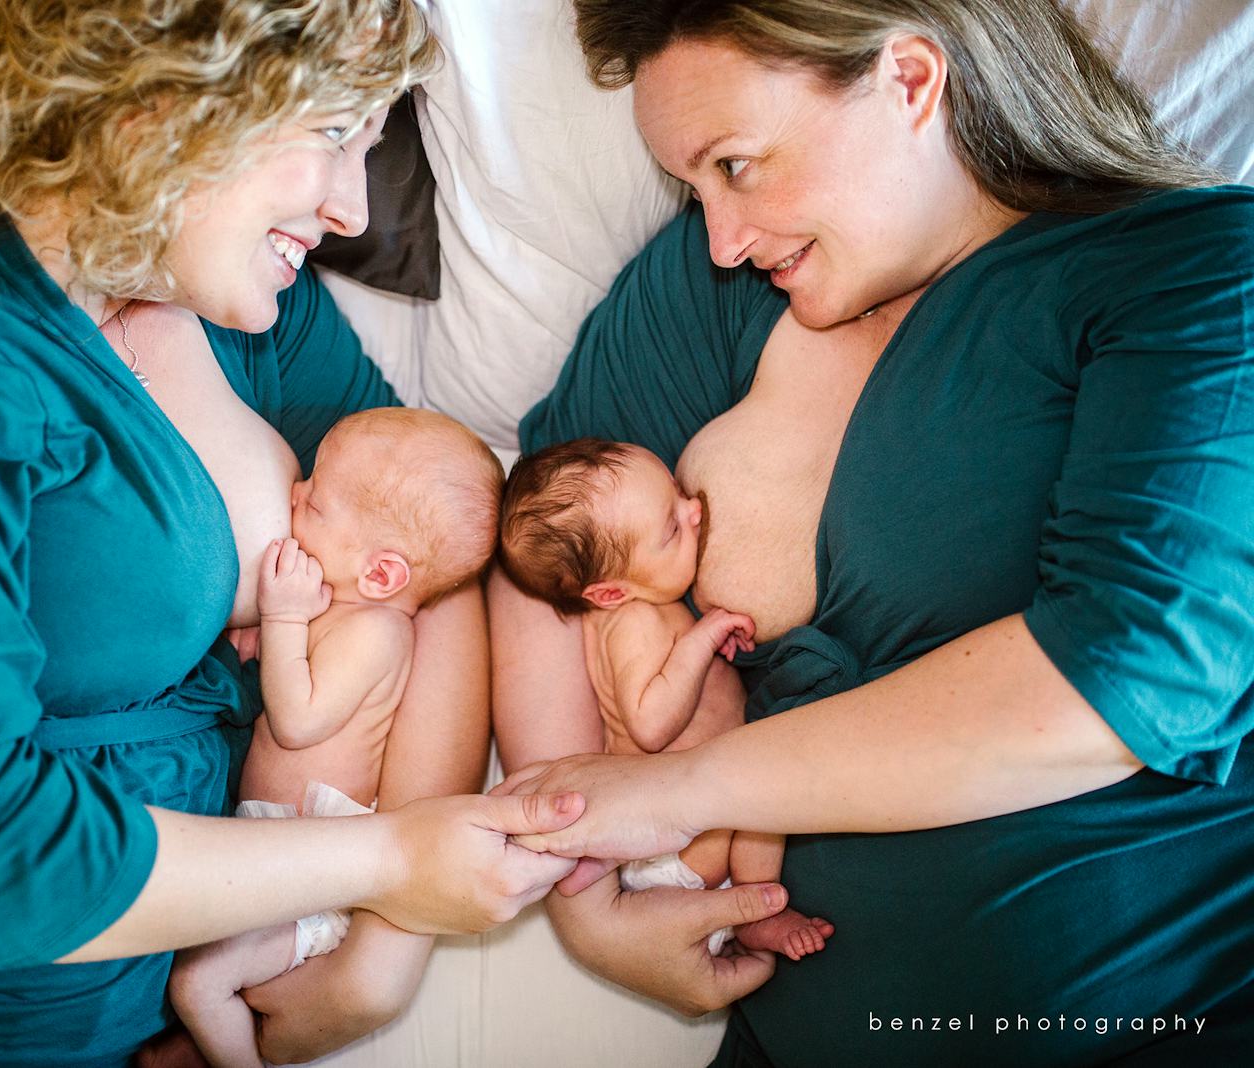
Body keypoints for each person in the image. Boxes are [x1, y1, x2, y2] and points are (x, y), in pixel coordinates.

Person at [0, 3, 585, 1065]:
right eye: (332, 133)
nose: (354, 210)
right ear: (158, 93)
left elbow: (433, 547)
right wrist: (387, 864)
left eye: (371, 145)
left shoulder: (227, 296)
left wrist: (385, 947)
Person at [489, 1, 1254, 1065]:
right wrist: (582, 878)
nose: (720, 235)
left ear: (909, 80)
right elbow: (538, 551)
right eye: (692, 188)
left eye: (735, 165)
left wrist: (667, 795)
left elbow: (1126, 674)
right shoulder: (721, 287)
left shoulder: (1192, 271)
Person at [168, 406, 505, 1068]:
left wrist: (283, 616)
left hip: (314, 880)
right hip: (281, 857)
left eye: (314, 502)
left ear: (381, 574)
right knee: (192, 963)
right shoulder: (349, 612)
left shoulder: (377, 633)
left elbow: (297, 721)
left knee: (198, 982)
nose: (294, 495)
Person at [498, 437, 831, 961]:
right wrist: (702, 640)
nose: (694, 510)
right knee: (765, 797)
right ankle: (758, 911)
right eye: (672, 528)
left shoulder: (641, 605)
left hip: (688, 821)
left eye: (676, 492)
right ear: (611, 592)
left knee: (759, 791)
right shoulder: (631, 621)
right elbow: (650, 723)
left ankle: (746, 912)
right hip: (676, 838)